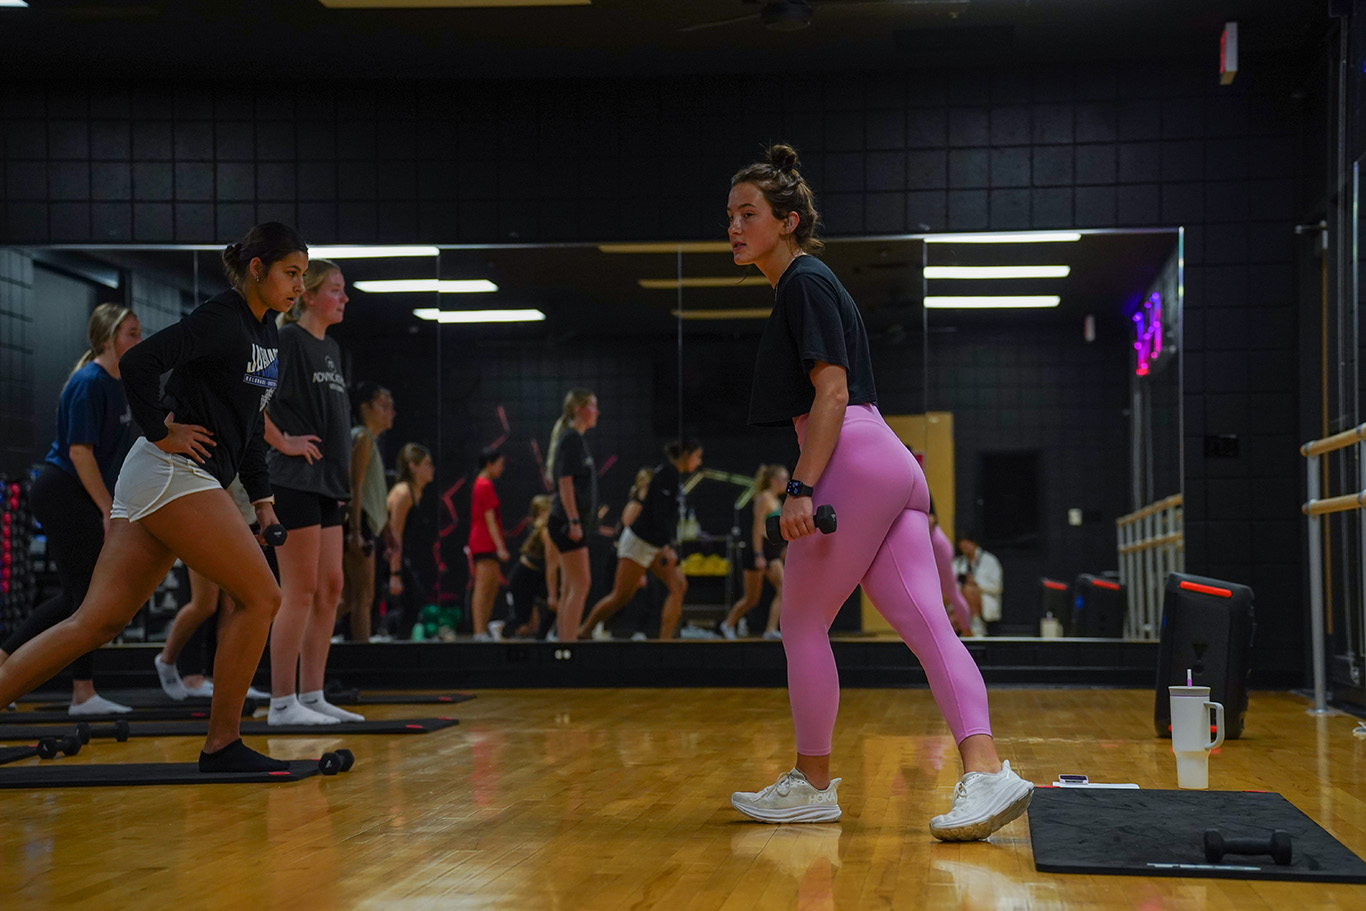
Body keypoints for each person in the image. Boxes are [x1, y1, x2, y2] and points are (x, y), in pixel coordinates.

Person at [724, 146, 1033, 839]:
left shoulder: (802, 282)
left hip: (852, 457)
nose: (735, 228)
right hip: (888, 458)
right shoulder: (810, 284)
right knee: (930, 626)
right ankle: (987, 774)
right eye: (731, 216)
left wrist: (802, 486)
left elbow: (830, 391)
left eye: (749, 214)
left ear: (789, 219)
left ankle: (810, 782)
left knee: (801, 622)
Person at [0, 222, 307, 772]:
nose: (298, 287)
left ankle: (222, 744)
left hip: (167, 477)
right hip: (172, 471)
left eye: (304, 276)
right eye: (291, 273)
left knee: (94, 622)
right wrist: (161, 431)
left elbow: (251, 427)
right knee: (262, 597)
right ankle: (222, 745)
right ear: (257, 269)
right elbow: (142, 363)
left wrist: (263, 500)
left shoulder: (269, 336)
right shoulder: (221, 317)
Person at [0, 303, 142, 716]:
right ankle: (81, 692)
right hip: (63, 490)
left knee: (78, 598)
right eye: (131, 333)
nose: (139, 340)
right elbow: (80, 453)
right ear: (107, 339)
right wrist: (106, 508)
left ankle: (15, 665)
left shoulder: (120, 382)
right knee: (85, 600)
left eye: (139, 332)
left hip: (83, 491)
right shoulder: (89, 381)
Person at [262, 258, 360, 726]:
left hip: (329, 484)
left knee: (331, 587)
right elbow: (249, 397)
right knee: (297, 590)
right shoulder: (287, 340)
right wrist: (281, 440)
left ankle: (312, 692)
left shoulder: (333, 349)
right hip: (293, 479)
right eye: (337, 290)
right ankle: (282, 704)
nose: (344, 298)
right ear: (309, 294)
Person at [154, 477, 271, 700]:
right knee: (203, 603)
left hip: (239, 523)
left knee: (233, 606)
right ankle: (169, 662)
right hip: (206, 518)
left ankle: (229, 681)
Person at [577, 440, 701, 641]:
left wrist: (667, 544)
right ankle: (584, 631)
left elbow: (668, 518)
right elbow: (659, 515)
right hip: (640, 542)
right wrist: (668, 546)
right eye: (697, 456)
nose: (699, 461)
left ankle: (666, 641)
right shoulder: (666, 474)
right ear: (686, 454)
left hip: (655, 543)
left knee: (678, 586)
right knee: (620, 597)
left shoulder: (674, 477)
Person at [544, 389, 600, 643]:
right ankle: (567, 647)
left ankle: (565, 646)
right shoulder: (571, 438)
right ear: (579, 409)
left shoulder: (575, 438)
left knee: (570, 586)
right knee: (581, 585)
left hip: (569, 522)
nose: (597, 412)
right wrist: (574, 520)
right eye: (593, 406)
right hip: (567, 523)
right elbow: (564, 482)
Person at [342, 382, 395, 642]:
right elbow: (355, 486)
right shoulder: (361, 437)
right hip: (357, 524)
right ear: (365, 408)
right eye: (384, 406)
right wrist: (354, 532)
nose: (390, 412)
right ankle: (362, 657)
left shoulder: (368, 440)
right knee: (363, 597)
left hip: (363, 524)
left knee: (351, 598)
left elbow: (372, 491)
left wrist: (386, 528)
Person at [720, 463, 788, 641]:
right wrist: (758, 555)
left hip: (772, 550)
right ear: (773, 480)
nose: (786, 482)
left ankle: (771, 629)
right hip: (759, 549)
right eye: (783, 479)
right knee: (751, 598)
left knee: (783, 588)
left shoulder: (777, 500)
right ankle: (728, 624)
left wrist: (782, 548)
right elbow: (757, 529)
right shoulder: (763, 498)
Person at [386, 443, 434, 639]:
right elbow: (394, 535)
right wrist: (394, 573)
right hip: (384, 555)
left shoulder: (415, 492)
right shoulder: (403, 493)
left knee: (415, 599)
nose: (432, 469)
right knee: (412, 599)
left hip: (397, 556)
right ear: (413, 467)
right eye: (427, 464)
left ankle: (399, 640)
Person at [469, 447, 510, 641]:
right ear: (489, 464)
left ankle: (483, 628)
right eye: (500, 464)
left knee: (492, 587)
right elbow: (490, 519)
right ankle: (478, 631)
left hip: (487, 542)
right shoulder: (484, 485)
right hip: (483, 542)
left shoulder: (483, 484)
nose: (502, 468)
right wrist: (500, 546)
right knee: (483, 587)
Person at [500, 495, 555, 639]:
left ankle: (542, 636)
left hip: (536, 576)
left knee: (557, 602)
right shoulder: (543, 529)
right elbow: (551, 561)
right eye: (544, 510)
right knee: (522, 618)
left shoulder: (545, 527)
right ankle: (500, 631)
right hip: (524, 577)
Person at [928, 504, 974, 637]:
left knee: (951, 593)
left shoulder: (928, 516)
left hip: (939, 550)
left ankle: (967, 631)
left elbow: (930, 521)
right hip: (929, 550)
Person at [953, 529, 1002, 638]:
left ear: (974, 542)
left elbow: (997, 587)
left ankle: (975, 624)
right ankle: (970, 626)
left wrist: (976, 584)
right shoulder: (958, 563)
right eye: (962, 545)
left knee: (970, 589)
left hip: (983, 598)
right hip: (961, 600)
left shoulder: (990, 561)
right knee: (964, 590)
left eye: (967, 543)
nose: (965, 547)